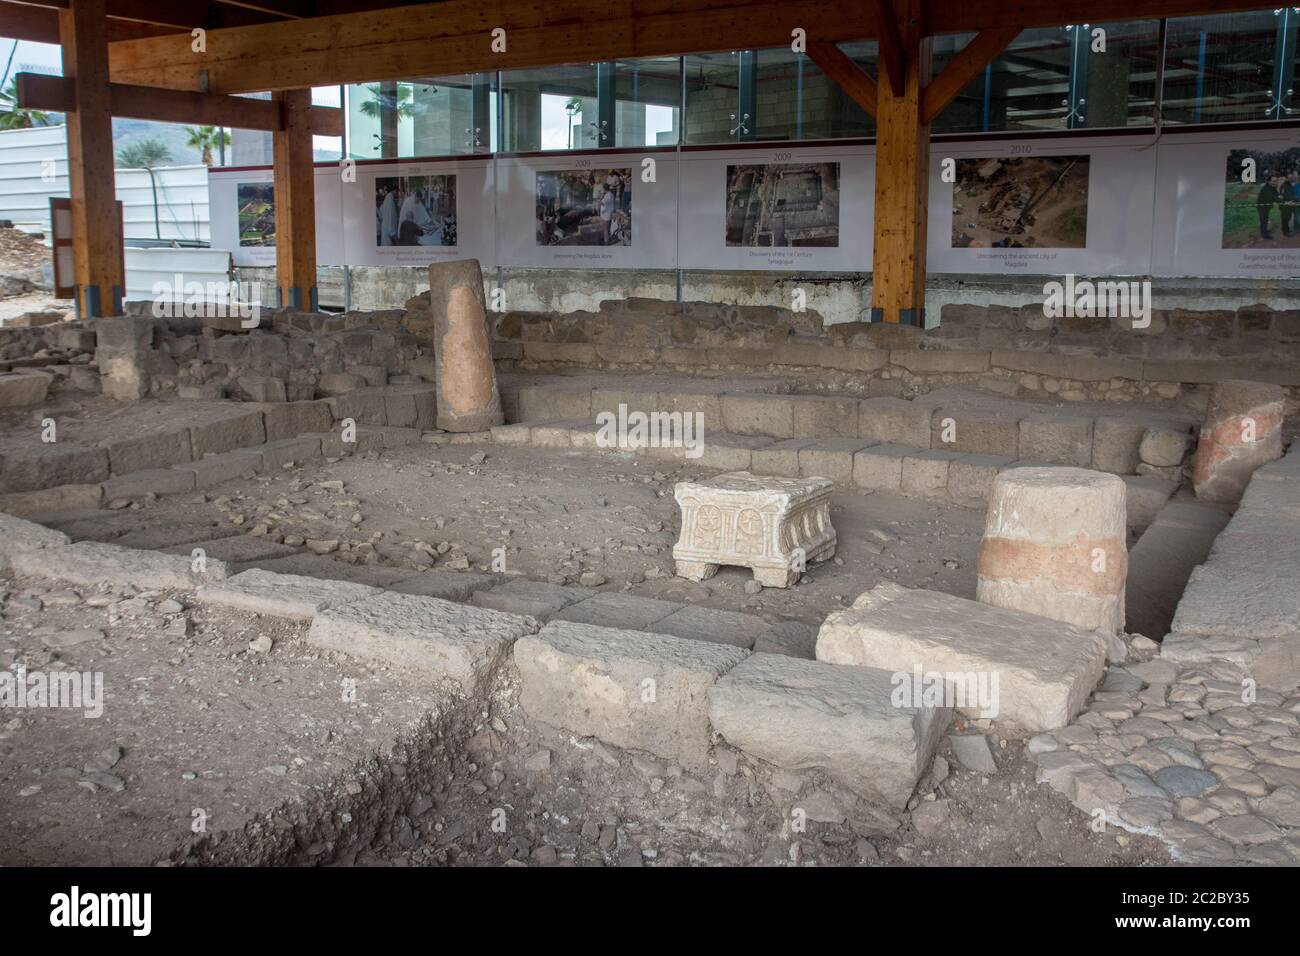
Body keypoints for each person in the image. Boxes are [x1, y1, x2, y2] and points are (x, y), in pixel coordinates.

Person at [1257, 174, 1282, 240]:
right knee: (1263, 220)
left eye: (1276, 181)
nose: (1275, 182)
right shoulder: (1265, 189)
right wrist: (1282, 201)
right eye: (1273, 181)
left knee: (1266, 219)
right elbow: (1272, 198)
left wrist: (1280, 196)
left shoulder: (1273, 187)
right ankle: (1264, 235)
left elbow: (1277, 194)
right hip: (1261, 207)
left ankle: (1265, 231)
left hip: (1267, 206)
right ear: (1268, 181)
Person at [1281, 169, 1299, 238]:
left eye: (1292, 178)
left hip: (1289, 205)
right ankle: (1285, 232)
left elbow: (1292, 194)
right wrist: (1296, 199)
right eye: (1289, 178)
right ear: (1286, 178)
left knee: (1288, 218)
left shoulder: (1289, 185)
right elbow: (1287, 196)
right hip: (1285, 206)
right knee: (1285, 219)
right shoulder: (1284, 186)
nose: (1291, 179)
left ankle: (1287, 230)